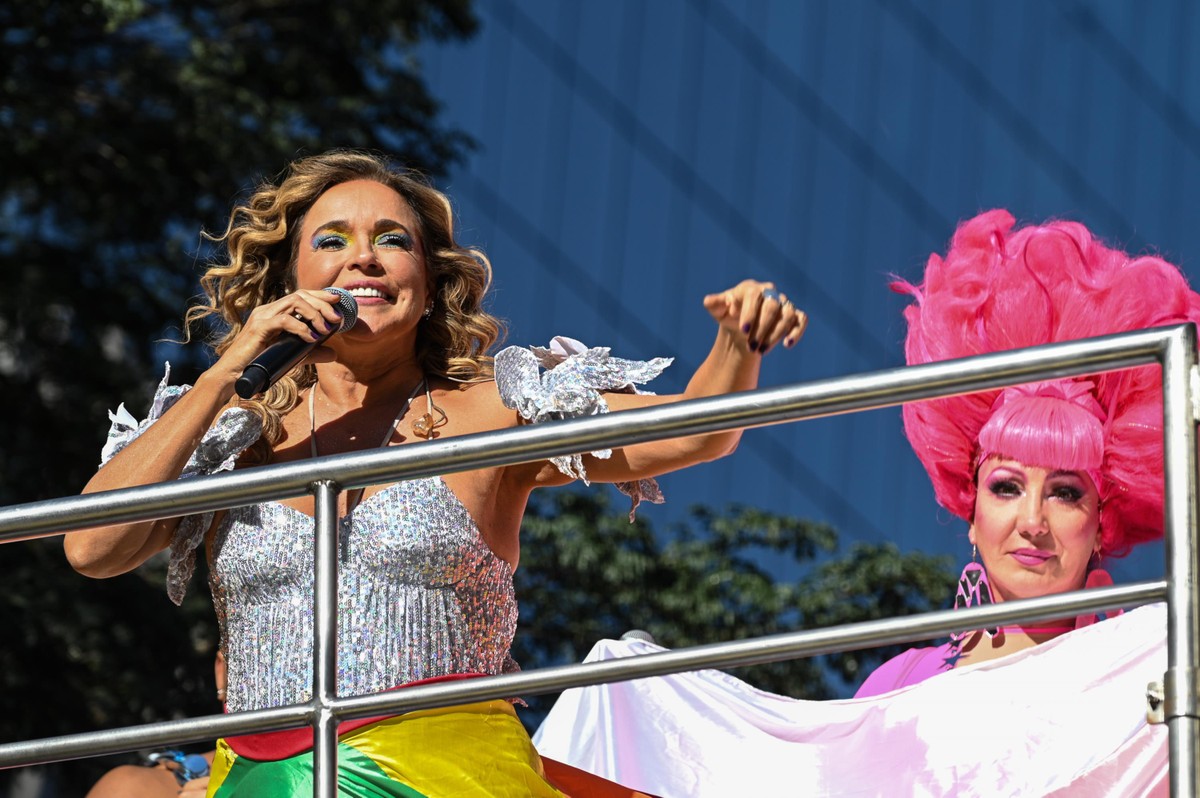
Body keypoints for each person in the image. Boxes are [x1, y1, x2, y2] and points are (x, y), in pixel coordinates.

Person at [62, 149, 807, 795]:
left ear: (428, 279)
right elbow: (91, 550)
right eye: (333, 240)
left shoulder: (492, 410)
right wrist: (226, 372)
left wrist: (737, 346)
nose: (365, 257)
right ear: (288, 278)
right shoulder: (229, 437)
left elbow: (692, 433)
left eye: (393, 240)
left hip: (447, 779)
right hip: (264, 784)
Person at [855, 207, 1200, 697]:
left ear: (1101, 525)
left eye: (1064, 493)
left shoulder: (1153, 676)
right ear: (971, 514)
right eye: (1007, 487)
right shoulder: (897, 687)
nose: (1032, 521)